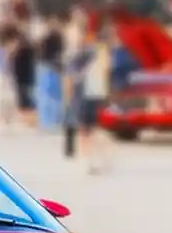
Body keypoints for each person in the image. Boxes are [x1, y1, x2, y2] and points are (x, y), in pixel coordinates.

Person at [65, 26, 114, 174]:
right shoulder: (95, 53)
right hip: (90, 95)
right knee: (89, 129)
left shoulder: (89, 53)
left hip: (89, 96)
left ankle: (92, 159)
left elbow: (71, 77)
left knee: (88, 130)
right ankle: (92, 159)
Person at [35, 13, 65, 130]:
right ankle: (48, 120)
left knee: (52, 95)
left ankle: (52, 120)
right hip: (48, 66)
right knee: (48, 94)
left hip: (52, 66)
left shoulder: (55, 38)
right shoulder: (49, 38)